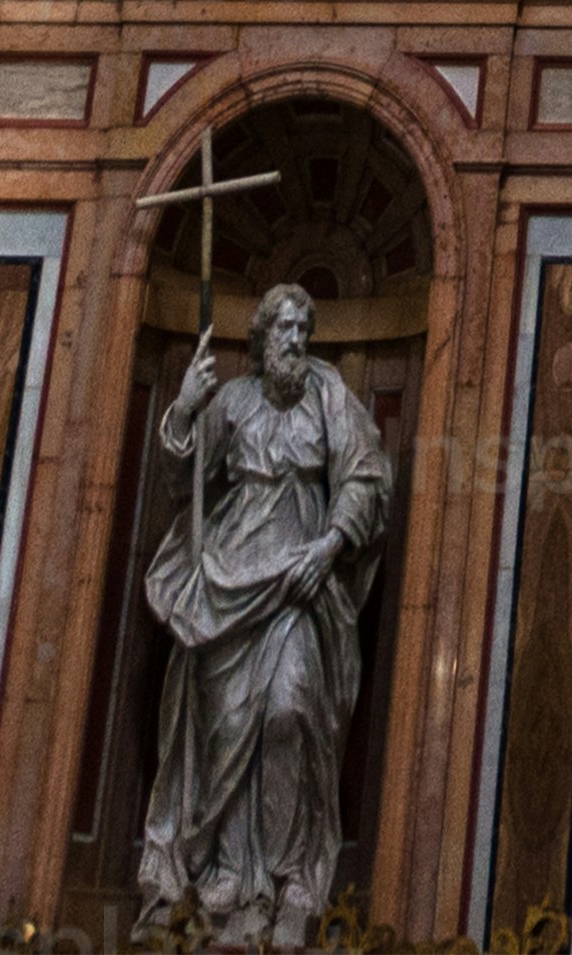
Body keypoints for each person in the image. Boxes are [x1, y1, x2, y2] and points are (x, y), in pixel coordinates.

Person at [140, 281, 400, 943]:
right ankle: (227, 869)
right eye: (284, 328)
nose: (296, 340)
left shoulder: (328, 394)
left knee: (288, 709)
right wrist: (183, 411)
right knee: (222, 725)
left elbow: (369, 475)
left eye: (304, 328)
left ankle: (286, 878)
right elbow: (183, 485)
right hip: (228, 584)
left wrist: (332, 542)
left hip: (299, 587)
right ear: (260, 336)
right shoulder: (230, 401)